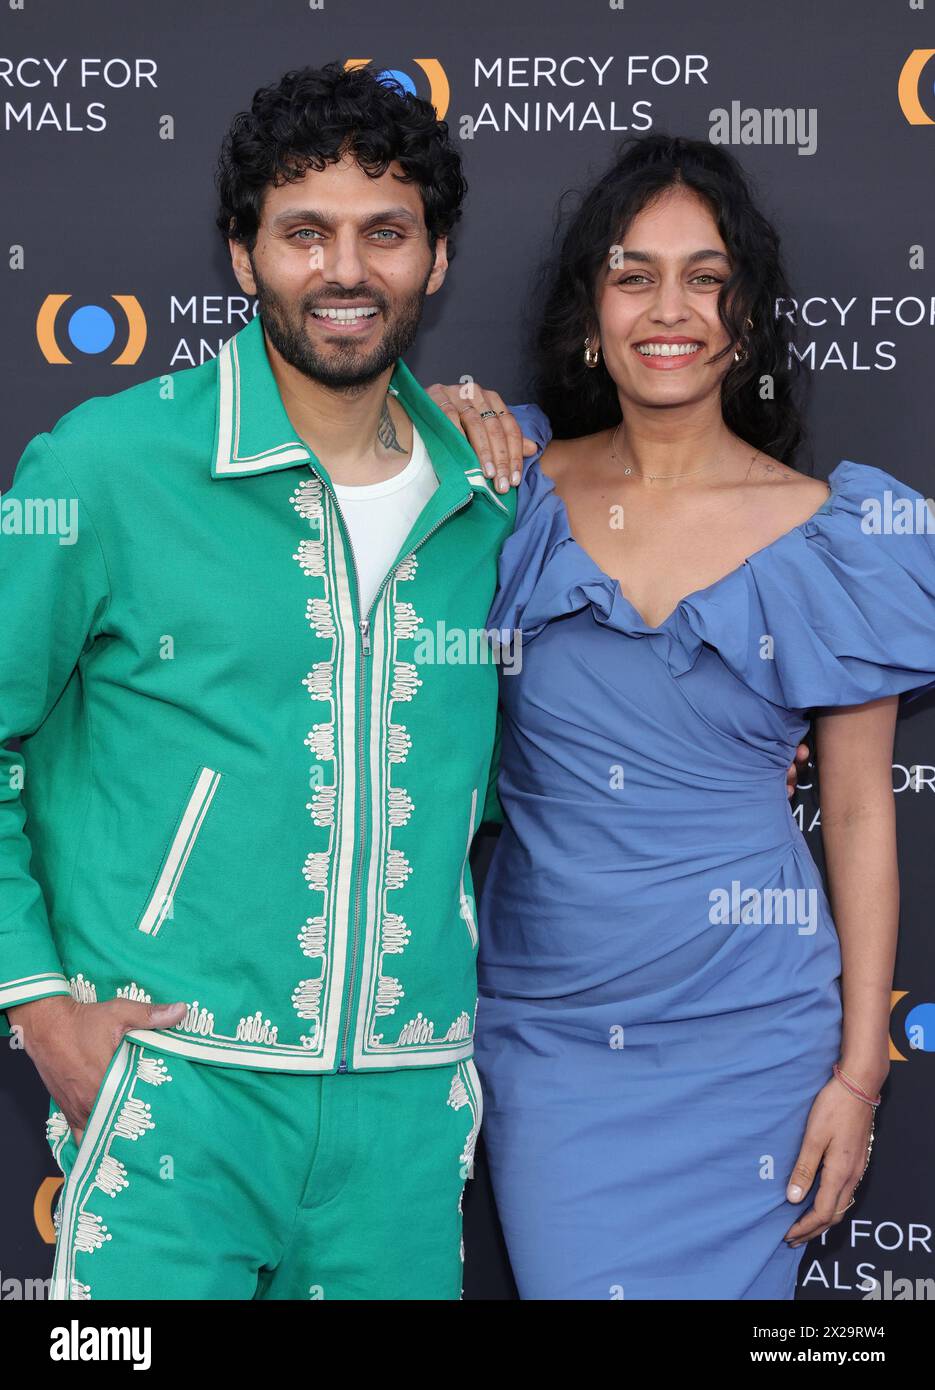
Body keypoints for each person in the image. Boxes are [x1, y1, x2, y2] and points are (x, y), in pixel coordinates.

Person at [0, 61, 537, 1302]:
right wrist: (38, 1006)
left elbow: (518, 764)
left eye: (383, 233)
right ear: (243, 258)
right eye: (305, 232)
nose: (345, 271)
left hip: (404, 1123)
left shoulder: (489, 496)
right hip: (177, 1096)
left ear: (436, 259)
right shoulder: (110, 464)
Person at [428, 133, 935, 1299]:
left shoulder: (835, 536)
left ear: (743, 319)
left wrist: (856, 1078)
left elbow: (858, 816)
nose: (670, 308)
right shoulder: (502, 492)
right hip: (552, 1035)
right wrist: (441, 412)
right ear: (589, 313)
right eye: (632, 273)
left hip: (752, 1037)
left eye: (705, 278)